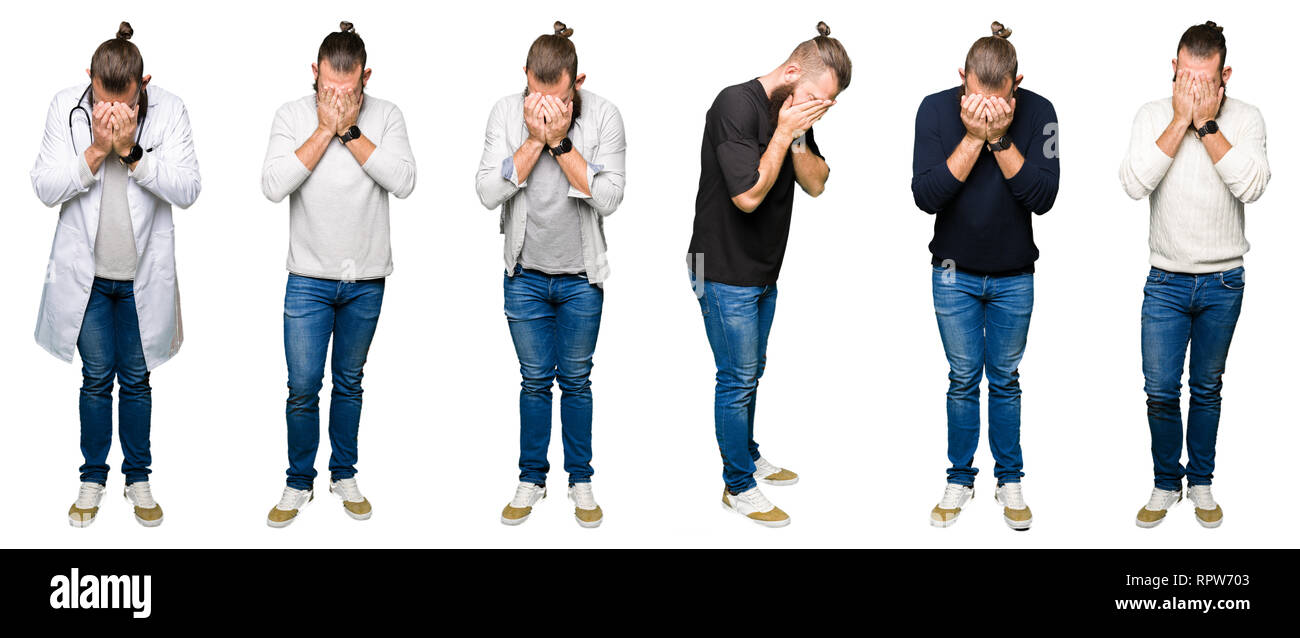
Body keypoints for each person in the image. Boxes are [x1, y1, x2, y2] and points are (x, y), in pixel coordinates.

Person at [31, 21, 201, 528]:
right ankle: (92, 476)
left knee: (138, 381)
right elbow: (43, 185)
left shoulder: (170, 111)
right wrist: (94, 151)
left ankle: (139, 477)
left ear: (142, 87)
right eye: (102, 101)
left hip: (140, 280)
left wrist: (129, 151)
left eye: (124, 105)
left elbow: (189, 188)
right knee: (94, 380)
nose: (110, 113)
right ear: (89, 80)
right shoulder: (66, 107)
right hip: (86, 282)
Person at [686, 22, 850, 527]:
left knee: (752, 371)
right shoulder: (734, 105)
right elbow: (749, 195)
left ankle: (747, 452)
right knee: (735, 379)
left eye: (828, 105)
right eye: (818, 98)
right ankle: (736, 486)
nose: (821, 108)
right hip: (720, 270)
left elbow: (817, 184)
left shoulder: (795, 110)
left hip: (761, 272)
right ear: (793, 71)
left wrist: (799, 133)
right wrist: (783, 131)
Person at [261, 21, 416, 527]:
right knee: (303, 384)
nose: (337, 97)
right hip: (307, 276)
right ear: (315, 73)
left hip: (366, 279)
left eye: (348, 92)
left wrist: (349, 131)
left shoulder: (387, 116)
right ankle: (298, 481)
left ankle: (343, 472)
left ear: (365, 79)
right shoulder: (291, 116)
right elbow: (273, 184)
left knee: (349, 382)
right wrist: (324, 128)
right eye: (329, 88)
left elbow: (404, 181)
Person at [476, 21, 626, 528]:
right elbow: (487, 190)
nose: (544, 107)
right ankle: (531, 478)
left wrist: (560, 143)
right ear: (525, 78)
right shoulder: (504, 112)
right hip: (525, 276)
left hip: (583, 276)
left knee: (577, 381)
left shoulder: (605, 116)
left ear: (576, 84)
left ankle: (580, 481)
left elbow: (608, 198)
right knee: (535, 381)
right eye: (536, 95)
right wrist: (535, 141)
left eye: (557, 98)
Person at [1119, 21, 1269, 529]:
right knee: (1160, 388)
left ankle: (1200, 482)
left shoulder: (1246, 119)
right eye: (1184, 76)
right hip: (1165, 280)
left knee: (1206, 387)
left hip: (1224, 281)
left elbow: (1251, 186)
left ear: (1224, 75)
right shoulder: (1152, 115)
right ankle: (1166, 483)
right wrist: (1181, 121)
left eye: (1204, 79)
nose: (1193, 88)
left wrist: (1205, 126)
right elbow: (1134, 183)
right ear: (1174, 69)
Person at [911, 22, 1059, 531]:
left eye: (999, 101)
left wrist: (999, 140)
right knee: (962, 380)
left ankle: (1010, 478)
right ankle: (959, 478)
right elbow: (926, 196)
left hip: (1015, 274)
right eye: (976, 97)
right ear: (962, 80)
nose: (988, 107)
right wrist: (974, 137)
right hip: (953, 274)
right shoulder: (934, 109)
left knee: (1007, 381)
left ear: (1016, 85)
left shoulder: (1042, 113)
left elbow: (1043, 197)